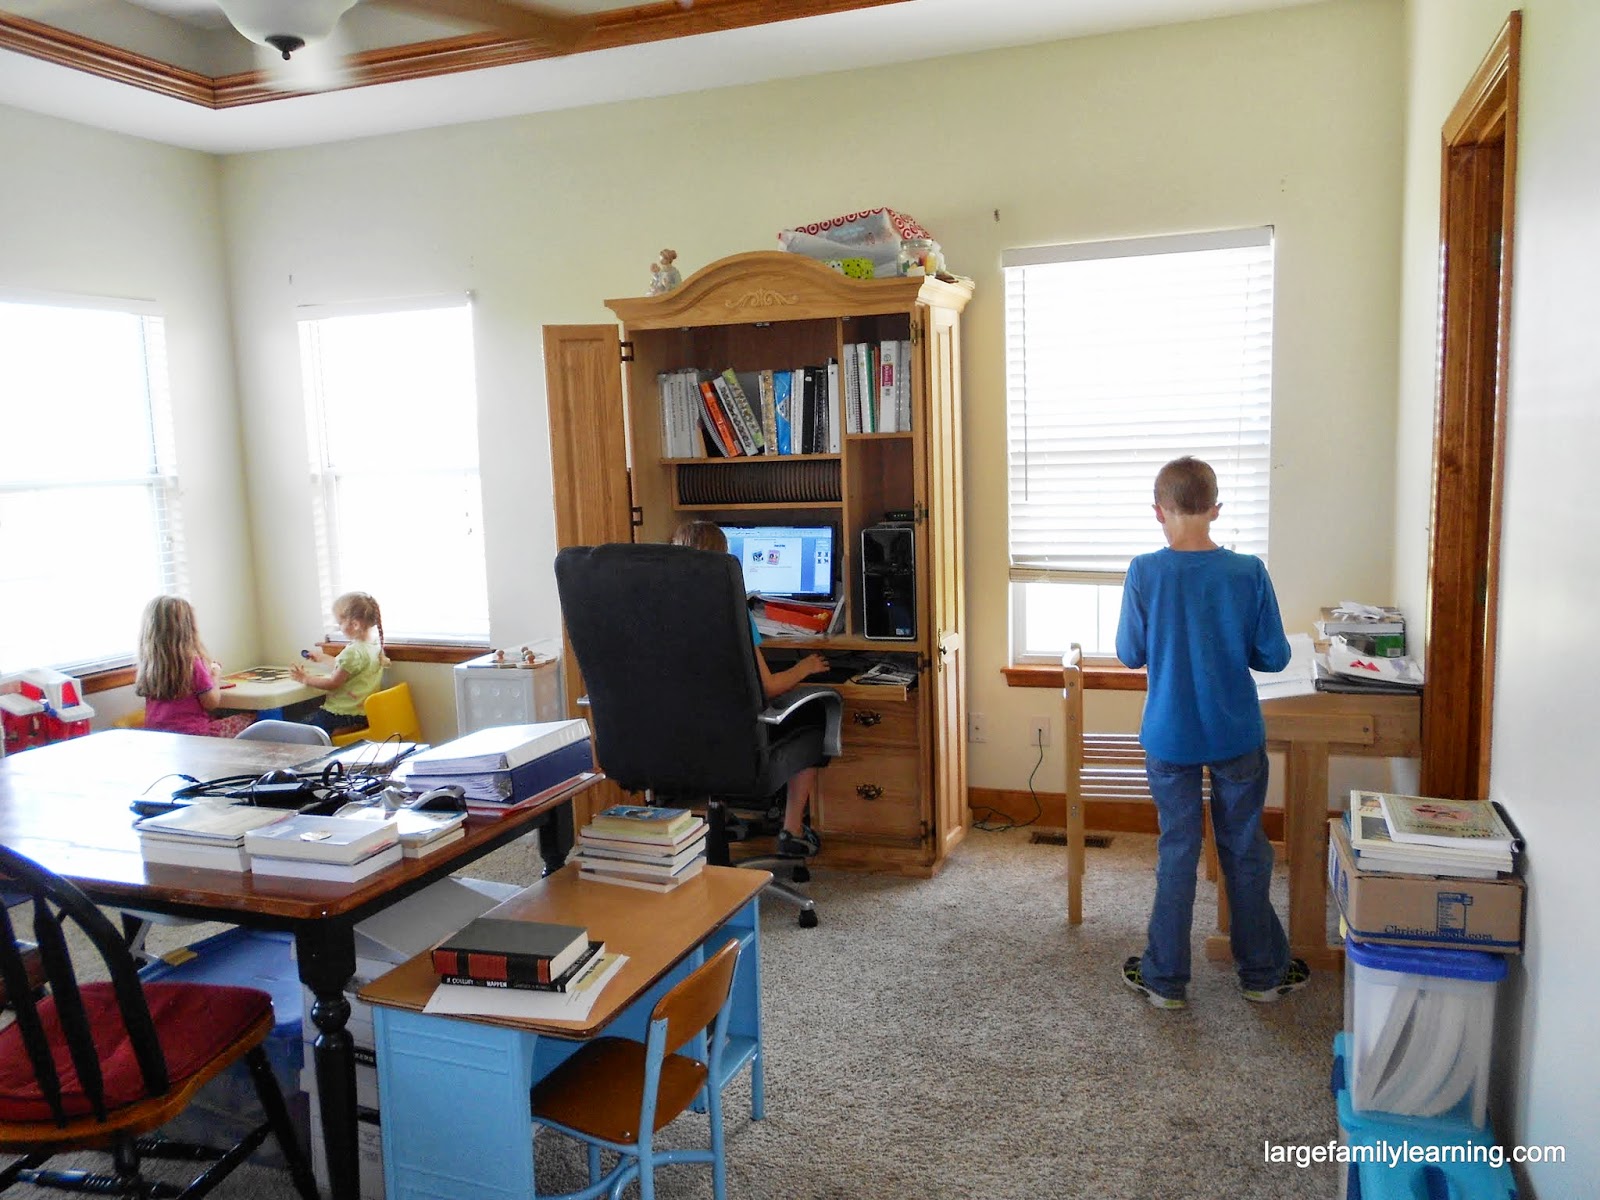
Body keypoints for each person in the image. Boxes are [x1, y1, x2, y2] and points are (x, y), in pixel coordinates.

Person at [1114, 457, 1308, 1010]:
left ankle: (1166, 980)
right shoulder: (1248, 572)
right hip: (1235, 734)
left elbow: (1130, 654)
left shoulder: (1144, 572)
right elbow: (1273, 656)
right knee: (1245, 849)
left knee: (1177, 849)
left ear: (1159, 512)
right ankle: (1263, 975)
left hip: (1170, 736)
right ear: (1216, 510)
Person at [672, 520, 827, 857]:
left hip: (679, 743)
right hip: (738, 744)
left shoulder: (660, 613)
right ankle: (792, 830)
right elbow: (768, 688)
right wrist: (805, 667)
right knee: (815, 713)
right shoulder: (732, 611)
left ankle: (721, 817)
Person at [135, 596, 253, 737]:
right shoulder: (192, 664)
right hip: (195, 736)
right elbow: (211, 702)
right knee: (253, 720)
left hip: (158, 736)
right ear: (188, 629)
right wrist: (215, 675)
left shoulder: (149, 666)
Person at [292, 591, 389, 737]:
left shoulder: (353, 652)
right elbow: (347, 669)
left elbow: (333, 683)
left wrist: (305, 679)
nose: (339, 627)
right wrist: (322, 657)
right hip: (363, 715)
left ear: (355, 624)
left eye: (340, 623)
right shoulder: (373, 645)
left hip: (341, 716)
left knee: (298, 728)